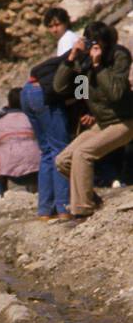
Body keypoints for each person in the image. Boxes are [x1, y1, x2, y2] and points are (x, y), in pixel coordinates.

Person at [55, 22, 133, 221]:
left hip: (124, 120)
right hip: (102, 122)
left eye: (97, 43)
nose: (93, 48)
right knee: (63, 160)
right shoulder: (85, 62)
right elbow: (62, 87)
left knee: (83, 153)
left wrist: (98, 66)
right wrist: (71, 58)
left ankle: (82, 210)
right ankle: (92, 200)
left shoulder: (119, 56)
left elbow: (116, 93)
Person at [21, 53, 72, 219]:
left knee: (47, 152)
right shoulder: (81, 61)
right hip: (45, 97)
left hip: (27, 91)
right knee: (60, 151)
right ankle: (64, 207)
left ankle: (45, 210)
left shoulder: (66, 53)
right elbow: (81, 94)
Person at [0, 89, 40, 198]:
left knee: (0, 152)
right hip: (36, 170)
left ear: (9, 102)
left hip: (8, 172)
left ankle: (1, 195)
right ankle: (39, 194)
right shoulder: (33, 117)